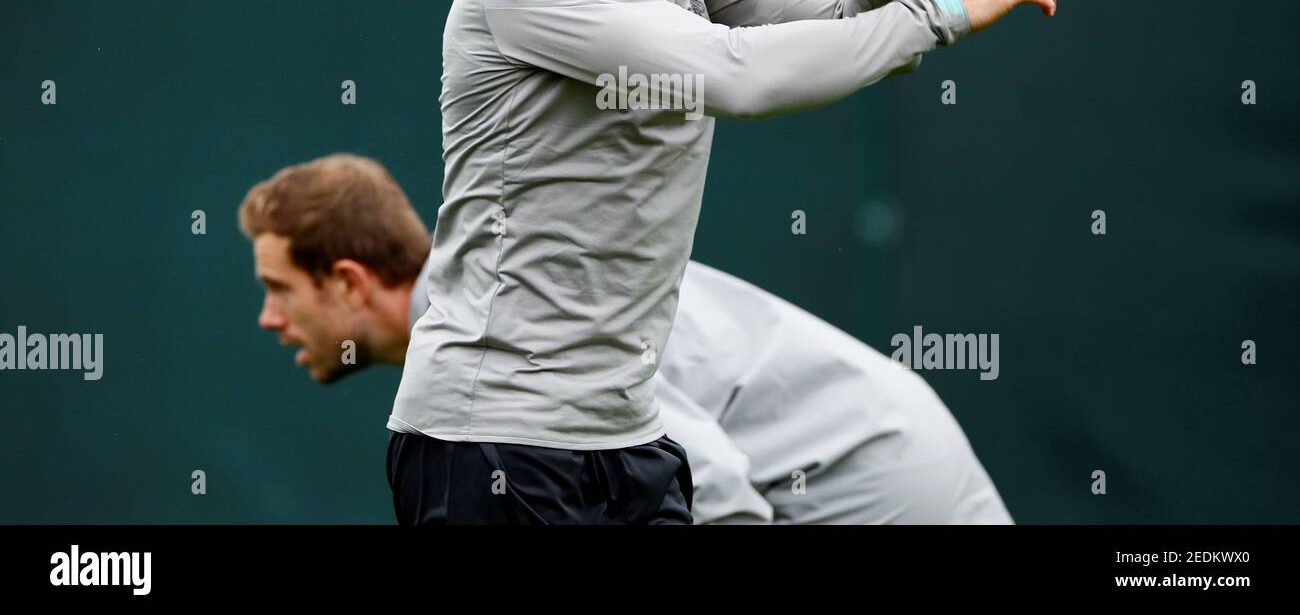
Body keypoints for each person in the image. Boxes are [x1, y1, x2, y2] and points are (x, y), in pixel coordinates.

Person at [389, 0, 1055, 524]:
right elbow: (736, 76)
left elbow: (851, 33)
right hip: (494, 445)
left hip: (632, 436)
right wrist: (945, 7)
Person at [240, 154, 1012, 524]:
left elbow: (720, 491)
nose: (269, 319)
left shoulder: (498, 316)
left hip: (873, 489)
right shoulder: (480, 308)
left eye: (278, 289)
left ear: (347, 279)